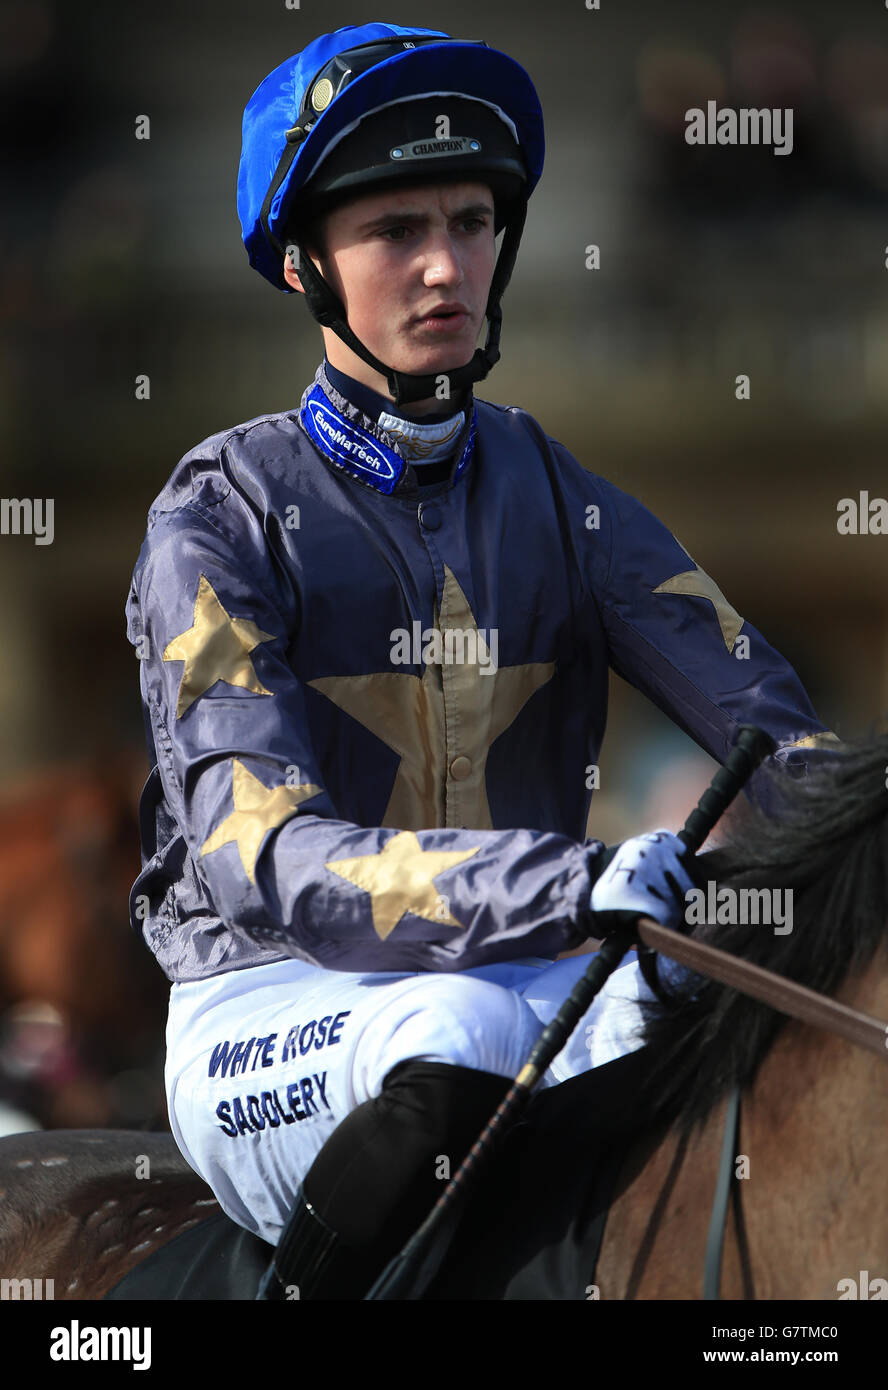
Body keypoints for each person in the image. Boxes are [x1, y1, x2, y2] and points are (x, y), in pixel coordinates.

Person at [125, 21, 839, 1299]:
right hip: (274, 1002)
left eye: (472, 219)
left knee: (722, 1031)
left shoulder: (563, 495)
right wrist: (572, 881)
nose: (447, 265)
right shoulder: (214, 516)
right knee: (449, 1030)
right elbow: (268, 860)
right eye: (398, 230)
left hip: (541, 964)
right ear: (303, 266)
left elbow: (776, 735)